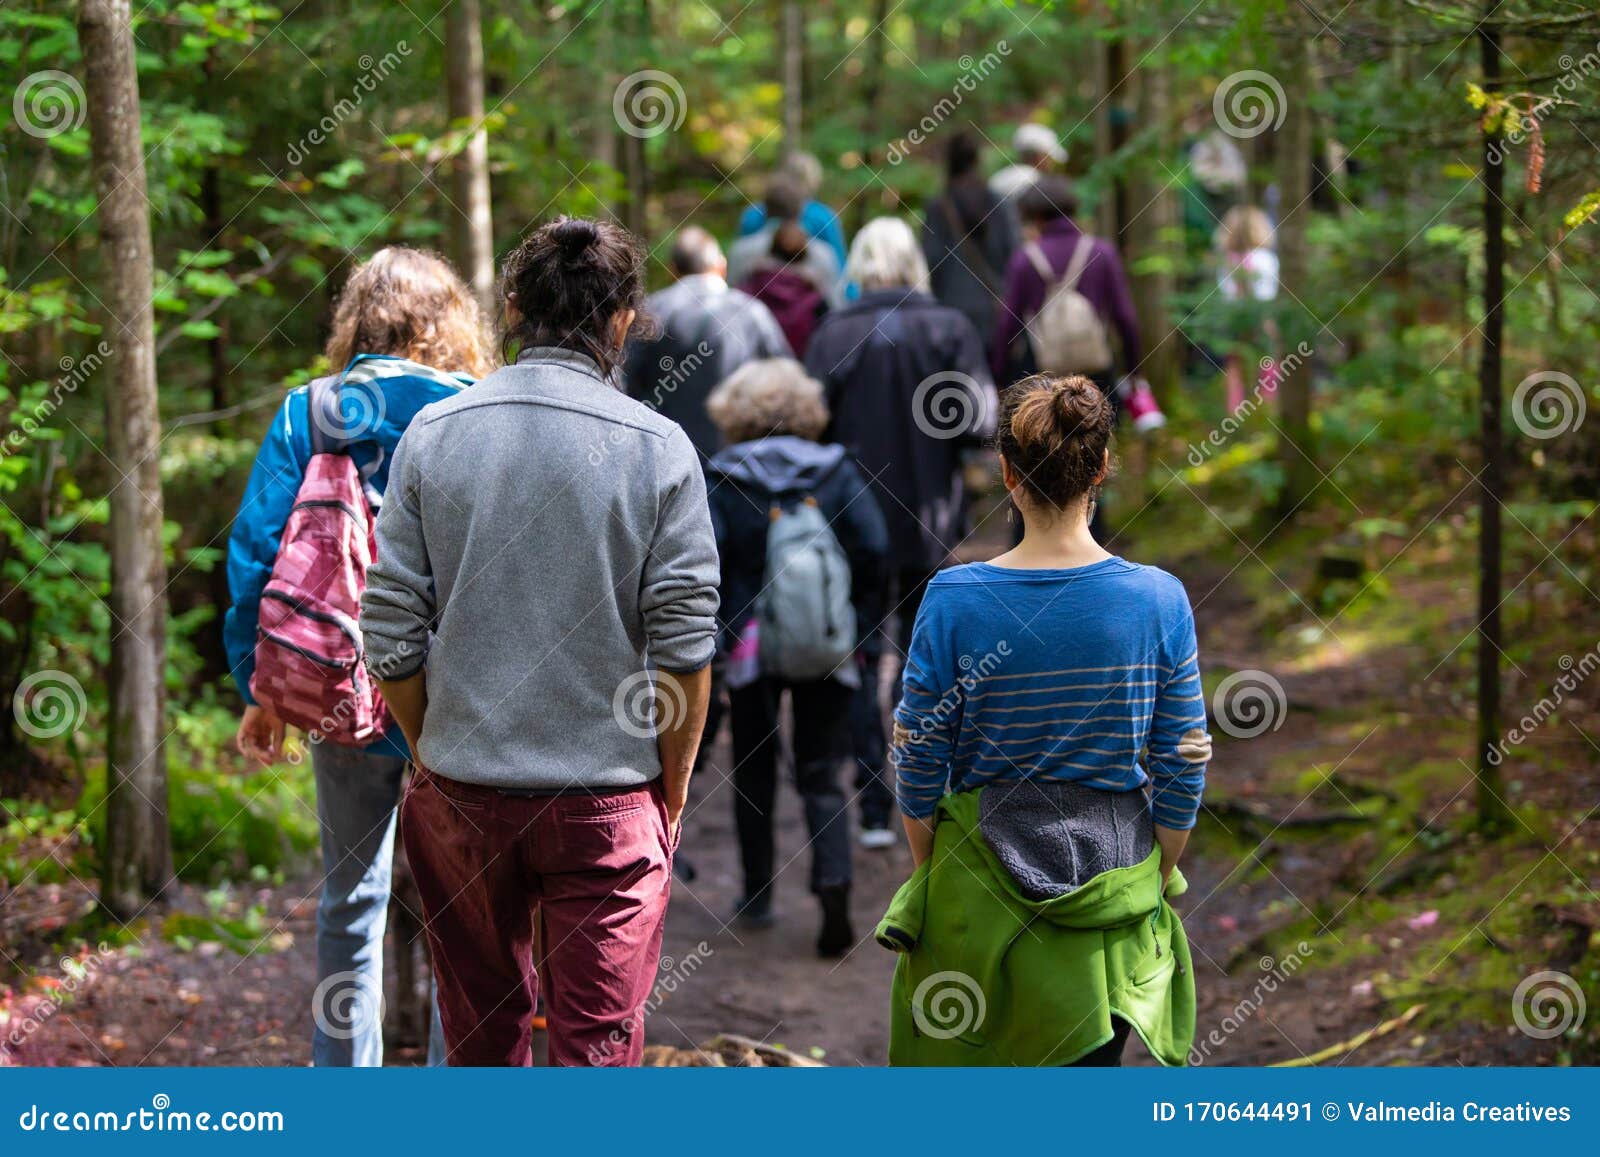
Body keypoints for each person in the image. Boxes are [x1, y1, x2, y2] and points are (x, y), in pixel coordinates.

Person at [360, 217, 720, 1067]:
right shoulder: (659, 449)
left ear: (514, 306)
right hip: (606, 802)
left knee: (481, 1041)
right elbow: (684, 648)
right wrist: (668, 790)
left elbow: (388, 632)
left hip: (461, 795)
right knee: (595, 1053)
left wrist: (432, 747)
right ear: (622, 321)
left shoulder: (434, 435)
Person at [880, 374, 1210, 1067]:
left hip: (980, 888)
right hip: (1111, 896)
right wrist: (1154, 871)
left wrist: (934, 865)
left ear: (1005, 472)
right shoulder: (1158, 599)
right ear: (1100, 470)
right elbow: (1183, 757)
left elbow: (917, 747)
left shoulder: (953, 597)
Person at [225, 246, 495, 1067]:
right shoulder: (483, 412)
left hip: (340, 691)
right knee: (469, 914)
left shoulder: (311, 411)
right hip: (457, 699)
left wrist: (262, 688)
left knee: (350, 900)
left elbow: (256, 555)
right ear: (448, 324)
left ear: (358, 323)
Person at [804, 217, 994, 848]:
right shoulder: (947, 327)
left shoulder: (834, 332)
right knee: (927, 657)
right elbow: (980, 419)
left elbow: (808, 424)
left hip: (850, 524)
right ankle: (929, 795)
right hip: (929, 520)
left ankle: (873, 808)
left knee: (861, 656)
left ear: (858, 264)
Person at [703, 359, 889, 954]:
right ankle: (832, 881)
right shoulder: (836, 473)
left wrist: (721, 637)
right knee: (821, 771)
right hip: (826, 643)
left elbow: (704, 560)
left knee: (754, 772)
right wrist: (858, 629)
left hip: (750, 646)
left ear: (737, 412)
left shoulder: (725, 478)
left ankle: (758, 895)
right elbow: (876, 546)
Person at [623, 225, 792, 460]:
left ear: (673, 271)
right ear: (721, 266)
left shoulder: (650, 312)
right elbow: (787, 381)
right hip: (739, 463)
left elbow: (624, 383)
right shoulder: (753, 313)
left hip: (664, 457)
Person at [922, 129, 1021, 348]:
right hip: (995, 309)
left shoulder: (938, 207)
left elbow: (932, 258)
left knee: (954, 381)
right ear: (976, 160)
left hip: (951, 311)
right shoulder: (998, 202)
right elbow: (1015, 254)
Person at [728, 173, 845, 309]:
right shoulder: (823, 254)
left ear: (765, 208)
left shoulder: (741, 251)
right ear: (801, 210)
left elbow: (731, 300)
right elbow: (836, 305)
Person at [1212, 205, 1280, 414]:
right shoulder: (1266, 259)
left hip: (1233, 319)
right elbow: (1269, 293)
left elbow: (1225, 293)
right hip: (1263, 318)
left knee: (1234, 365)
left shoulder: (1226, 261)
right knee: (1269, 362)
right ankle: (1268, 408)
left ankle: (1235, 412)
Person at [736, 150, 848, 271]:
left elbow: (739, 261)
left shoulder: (752, 213)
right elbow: (838, 266)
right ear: (812, 181)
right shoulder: (823, 217)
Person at [736, 221, 829, 357]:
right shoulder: (815, 299)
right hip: (798, 372)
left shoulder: (747, 289)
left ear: (771, 251)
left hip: (754, 371)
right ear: (804, 257)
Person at [988, 122, 1067, 207]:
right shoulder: (1036, 182)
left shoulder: (999, 177)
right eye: (1049, 157)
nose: (1052, 163)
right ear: (1039, 156)